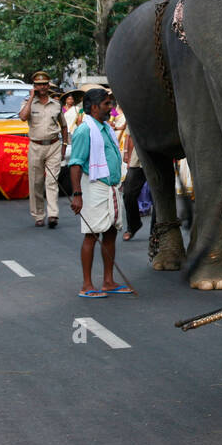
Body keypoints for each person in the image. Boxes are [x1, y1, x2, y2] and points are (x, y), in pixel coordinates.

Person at [68, 87, 130, 298]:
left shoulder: (106, 128)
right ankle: (87, 285)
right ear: (94, 107)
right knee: (92, 234)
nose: (110, 108)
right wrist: (77, 194)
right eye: (106, 104)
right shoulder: (85, 130)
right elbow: (75, 164)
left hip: (111, 188)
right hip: (94, 188)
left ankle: (108, 281)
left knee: (111, 232)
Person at [19, 71, 69, 228]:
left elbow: (64, 126)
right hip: (35, 146)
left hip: (53, 145)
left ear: (49, 85)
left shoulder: (56, 104)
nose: (42, 87)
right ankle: (38, 214)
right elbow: (23, 117)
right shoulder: (28, 103)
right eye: (38, 84)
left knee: (52, 181)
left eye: (44, 84)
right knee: (36, 182)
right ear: (34, 87)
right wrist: (31, 98)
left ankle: (53, 214)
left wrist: (64, 146)